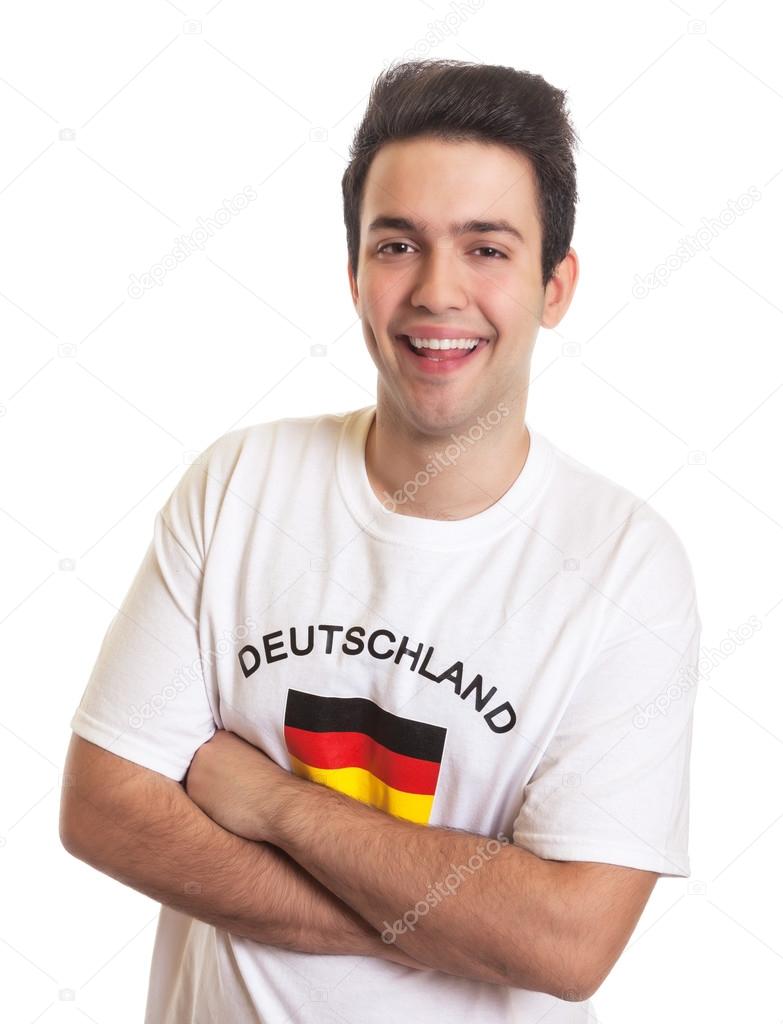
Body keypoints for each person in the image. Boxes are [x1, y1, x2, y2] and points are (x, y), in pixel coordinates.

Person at [59, 58, 701, 1023]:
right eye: (398, 244)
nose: (436, 292)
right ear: (354, 273)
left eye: (487, 249)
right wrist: (455, 921)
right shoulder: (241, 484)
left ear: (554, 285)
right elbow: (104, 811)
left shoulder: (625, 567)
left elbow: (565, 944)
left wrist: (271, 805)